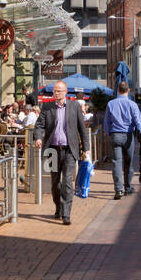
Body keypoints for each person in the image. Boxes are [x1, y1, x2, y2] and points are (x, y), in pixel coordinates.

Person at [33, 80, 90, 225]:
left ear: (65, 92)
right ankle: (58, 207)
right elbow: (39, 125)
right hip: (52, 150)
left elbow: (82, 129)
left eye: (59, 91)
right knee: (55, 183)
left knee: (67, 181)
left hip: (70, 149)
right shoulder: (47, 107)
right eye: (55, 91)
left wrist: (86, 148)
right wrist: (38, 138)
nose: (56, 93)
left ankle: (66, 214)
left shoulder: (74, 106)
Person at [103, 81, 141, 199]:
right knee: (128, 162)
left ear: (118, 90)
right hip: (128, 135)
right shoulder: (132, 104)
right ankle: (128, 187)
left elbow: (106, 122)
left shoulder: (110, 104)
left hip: (115, 135)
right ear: (128, 91)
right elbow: (138, 120)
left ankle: (118, 190)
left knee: (117, 163)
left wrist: (108, 133)